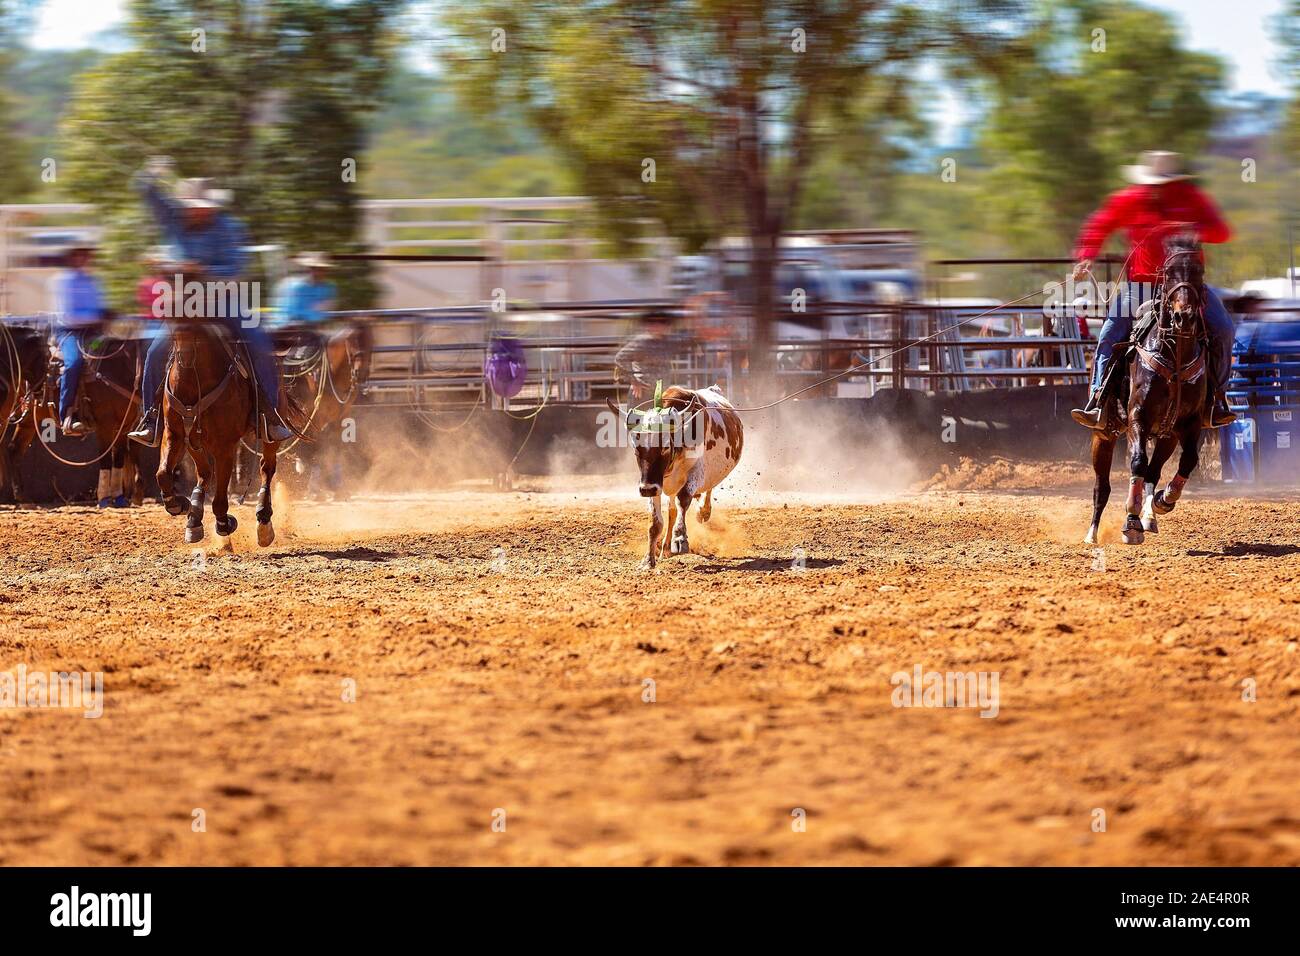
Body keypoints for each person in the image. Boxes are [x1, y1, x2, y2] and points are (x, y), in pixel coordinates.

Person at [128, 159, 295, 445]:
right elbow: (144, 189)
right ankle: (151, 419)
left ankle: (269, 415)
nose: (193, 212)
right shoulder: (173, 218)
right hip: (184, 303)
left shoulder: (228, 228)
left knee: (259, 344)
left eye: (198, 207)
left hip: (223, 301)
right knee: (155, 351)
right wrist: (153, 171)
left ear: (210, 208)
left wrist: (201, 270)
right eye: (189, 207)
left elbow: (236, 271)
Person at [1070, 150, 1236, 430]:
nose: (1158, 190)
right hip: (1142, 286)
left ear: (1174, 182)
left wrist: (1195, 230)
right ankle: (1098, 400)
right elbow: (1100, 224)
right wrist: (1087, 254)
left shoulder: (1191, 198)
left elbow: (1221, 231)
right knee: (1110, 333)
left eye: (1164, 184)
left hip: (1186, 285)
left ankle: (1217, 399)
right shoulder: (1130, 199)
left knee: (1224, 329)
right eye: (1154, 184)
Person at [49, 243, 107, 437]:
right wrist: (99, 315)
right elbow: (69, 315)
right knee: (74, 362)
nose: (83, 258)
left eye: (85, 254)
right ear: (71, 257)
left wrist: (105, 314)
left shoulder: (94, 280)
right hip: (69, 332)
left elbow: (100, 304)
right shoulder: (63, 281)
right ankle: (67, 414)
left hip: (93, 334)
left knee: (116, 352)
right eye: (78, 254)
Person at [614, 310, 686, 404]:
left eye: (661, 322)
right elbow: (620, 358)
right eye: (652, 322)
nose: (657, 326)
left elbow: (687, 341)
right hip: (642, 394)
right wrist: (634, 381)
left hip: (662, 394)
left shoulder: (668, 342)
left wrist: (697, 345)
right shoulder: (641, 342)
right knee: (638, 418)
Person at [270, 252, 337, 329]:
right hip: (290, 328)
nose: (320, 272)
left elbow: (329, 307)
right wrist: (315, 313)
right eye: (315, 268)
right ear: (309, 269)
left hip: (314, 327)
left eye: (323, 269)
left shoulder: (329, 287)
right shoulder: (297, 287)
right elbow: (292, 313)